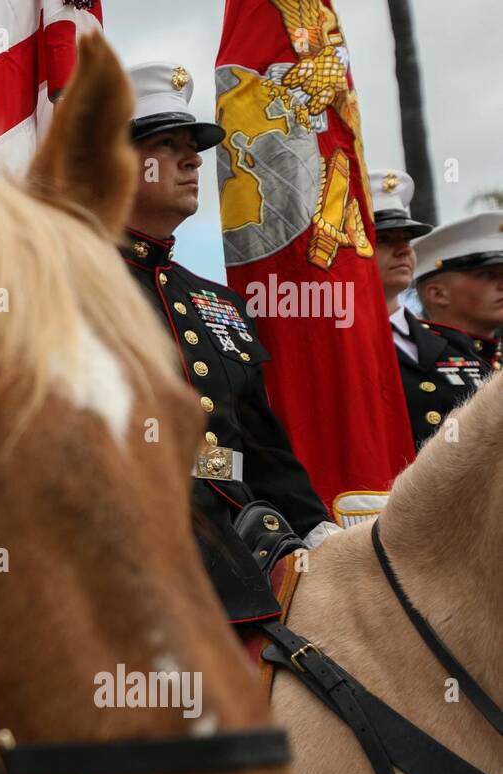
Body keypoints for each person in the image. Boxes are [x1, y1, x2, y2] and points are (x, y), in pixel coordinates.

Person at [119, 62, 337, 627]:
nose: (193, 160)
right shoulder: (74, 284)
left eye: (193, 146)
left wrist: (318, 533)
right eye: (167, 145)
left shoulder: (215, 302)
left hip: (246, 542)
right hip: (133, 557)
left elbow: (259, 445)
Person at [370, 169, 488, 447]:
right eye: (384, 240)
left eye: (407, 241)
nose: (403, 251)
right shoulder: (336, 344)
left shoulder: (454, 343)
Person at [406, 211, 503, 436]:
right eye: (489, 275)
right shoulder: (413, 361)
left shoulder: (492, 356)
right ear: (438, 293)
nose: (501, 284)